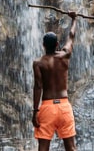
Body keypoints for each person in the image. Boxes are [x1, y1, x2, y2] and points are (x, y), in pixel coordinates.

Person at [32, 10, 78, 150]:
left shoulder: (38, 63)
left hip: (47, 108)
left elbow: (38, 86)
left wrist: (35, 111)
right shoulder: (65, 55)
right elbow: (71, 36)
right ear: (57, 44)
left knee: (43, 148)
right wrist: (74, 19)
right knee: (71, 147)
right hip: (64, 107)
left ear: (43, 45)